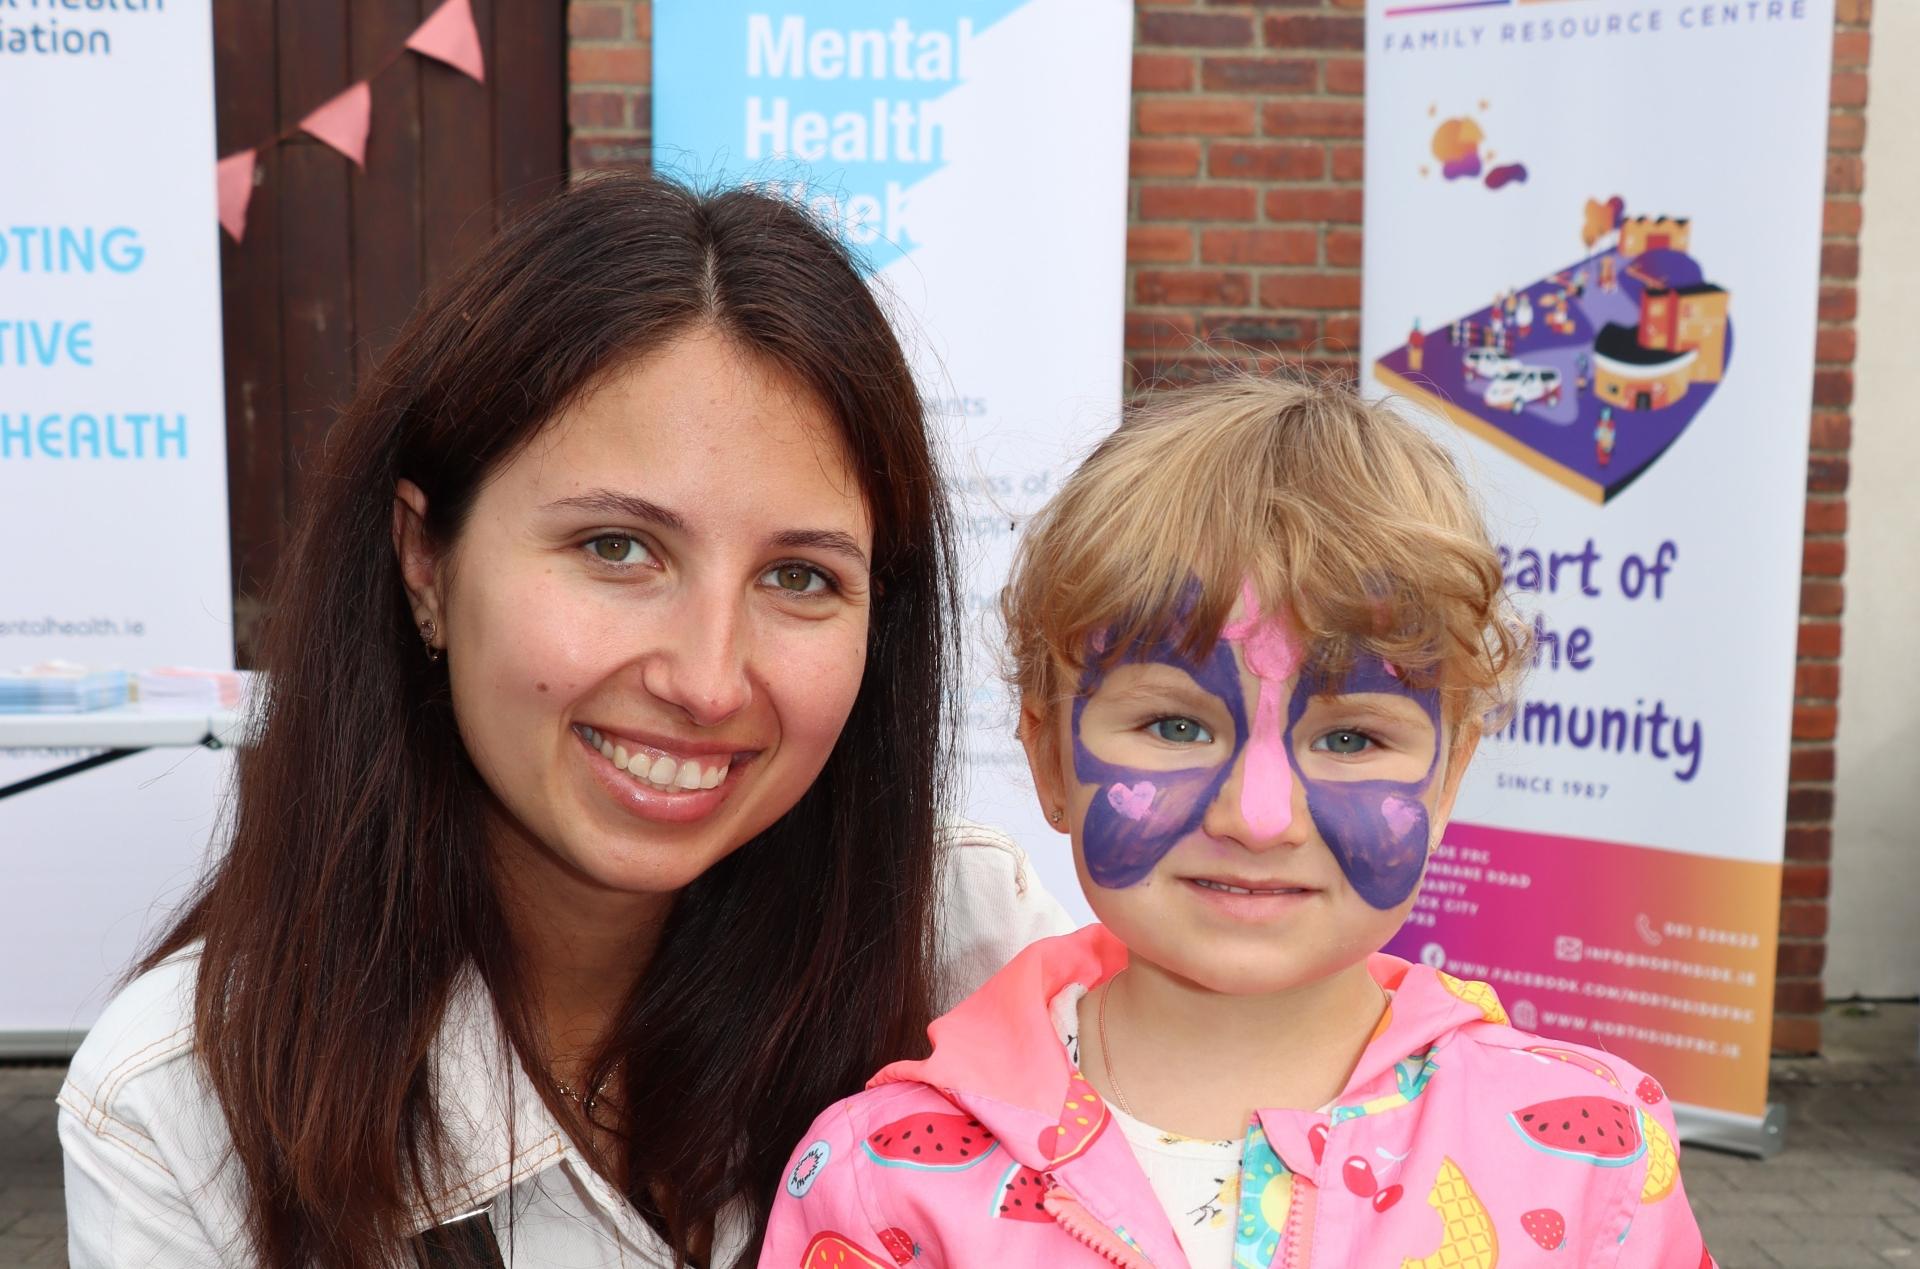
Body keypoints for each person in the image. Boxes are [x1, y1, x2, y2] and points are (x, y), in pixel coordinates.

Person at [57, 174, 1070, 1269]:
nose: (708, 680)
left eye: (798, 575)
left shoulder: (980, 961)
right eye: (616, 549)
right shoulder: (183, 1111)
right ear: (425, 561)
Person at [761, 374, 1711, 1267]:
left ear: (1449, 776)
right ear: (1049, 758)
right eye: (1175, 725)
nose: (1260, 818)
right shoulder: (877, 1180)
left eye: (1351, 739)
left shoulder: (1598, 1150)